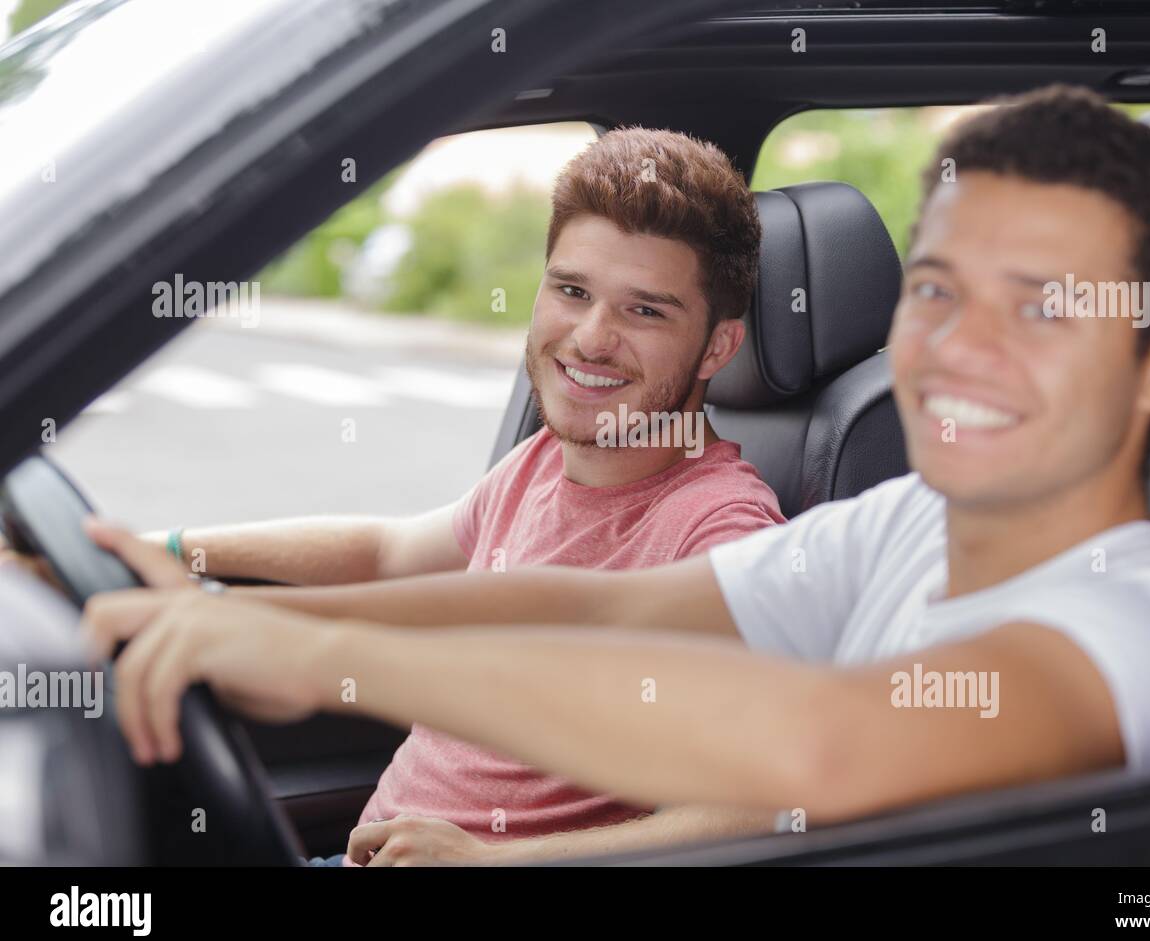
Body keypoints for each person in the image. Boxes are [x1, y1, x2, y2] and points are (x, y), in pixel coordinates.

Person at [78, 85, 1150, 861]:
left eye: (1042, 306)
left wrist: (323, 659)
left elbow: (833, 751)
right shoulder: (906, 522)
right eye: (936, 288)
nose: (958, 346)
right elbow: (589, 604)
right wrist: (231, 608)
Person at [41, 127, 787, 864]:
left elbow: (761, 804)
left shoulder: (723, 530)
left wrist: (491, 862)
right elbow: (387, 550)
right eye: (571, 291)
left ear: (719, 347)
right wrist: (165, 548)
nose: (591, 337)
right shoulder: (543, 463)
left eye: (644, 310)